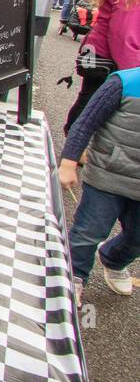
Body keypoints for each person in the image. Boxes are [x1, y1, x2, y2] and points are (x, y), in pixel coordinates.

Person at [59, 67, 140, 305]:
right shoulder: (124, 82)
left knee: (137, 237)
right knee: (88, 231)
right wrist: (68, 164)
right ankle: (74, 275)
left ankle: (114, 260)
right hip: (108, 174)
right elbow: (84, 123)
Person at [64, 0, 140, 134]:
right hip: (106, 57)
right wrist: (132, 73)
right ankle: (74, 147)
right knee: (92, 102)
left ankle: (74, 141)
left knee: (89, 98)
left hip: (97, 52)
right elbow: (123, 34)